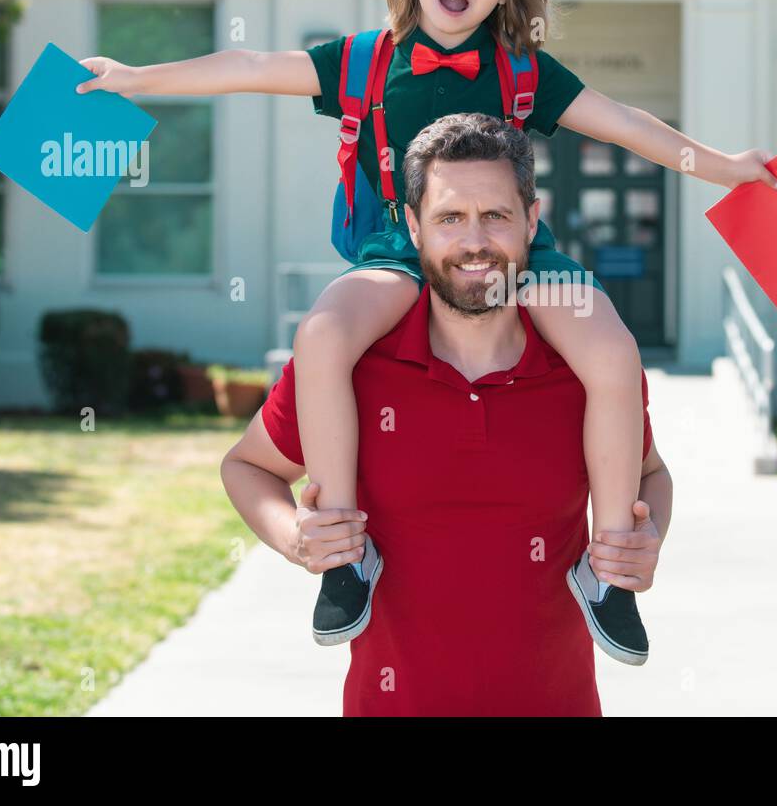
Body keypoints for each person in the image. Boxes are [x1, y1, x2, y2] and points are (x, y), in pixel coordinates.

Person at [78, 0, 773, 664]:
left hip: (513, 249)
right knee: (327, 334)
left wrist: (721, 166)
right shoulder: (364, 62)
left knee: (612, 347)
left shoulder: (522, 69)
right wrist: (134, 80)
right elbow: (244, 63)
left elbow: (623, 123)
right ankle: (344, 556)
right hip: (399, 247)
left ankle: (608, 570)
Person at [220, 113, 673, 714]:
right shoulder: (353, 366)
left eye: (496, 216)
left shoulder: (584, 368)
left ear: (532, 221)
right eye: (450, 218)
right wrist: (296, 539)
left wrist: (645, 539)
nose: (475, 242)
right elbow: (246, 467)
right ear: (413, 227)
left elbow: (649, 477)